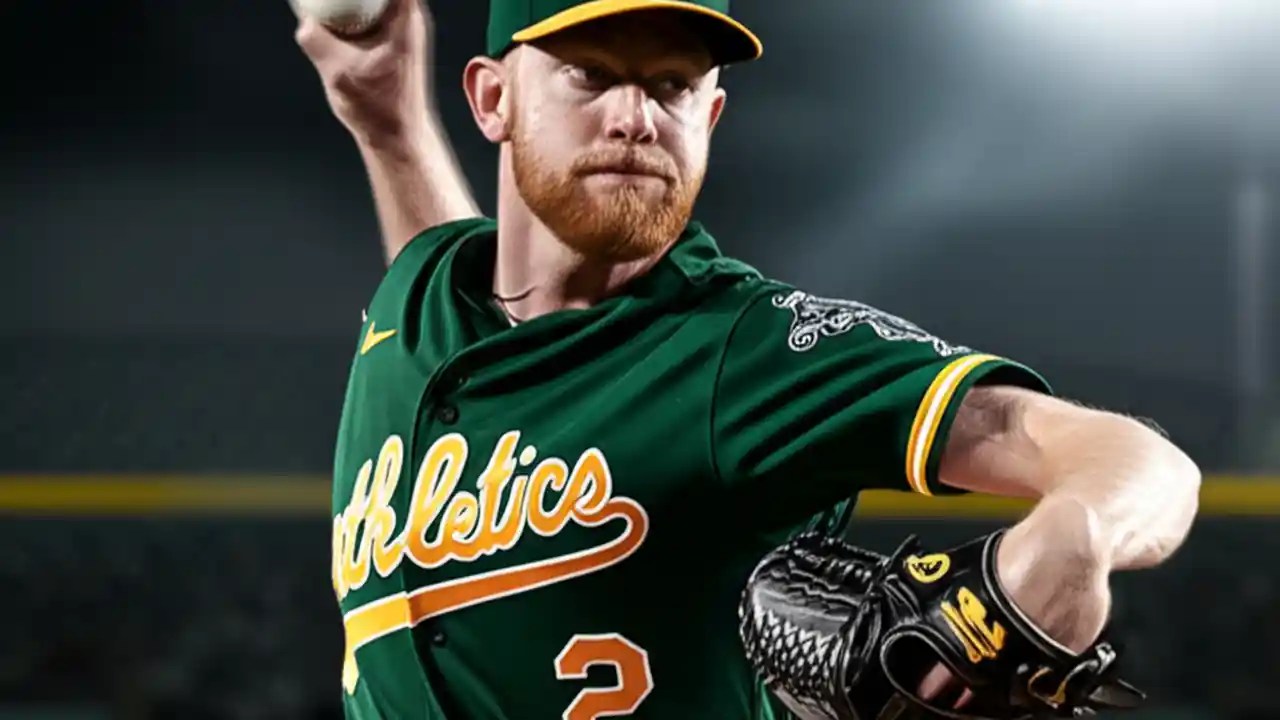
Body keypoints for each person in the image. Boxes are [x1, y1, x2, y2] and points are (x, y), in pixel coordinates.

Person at [296, 1, 1202, 717]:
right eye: (589, 75)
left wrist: (1079, 531)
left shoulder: (744, 347)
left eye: (673, 85)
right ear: (492, 99)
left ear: (713, 114)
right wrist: (390, 125)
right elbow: (469, 288)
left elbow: (1137, 462)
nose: (636, 117)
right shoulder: (423, 293)